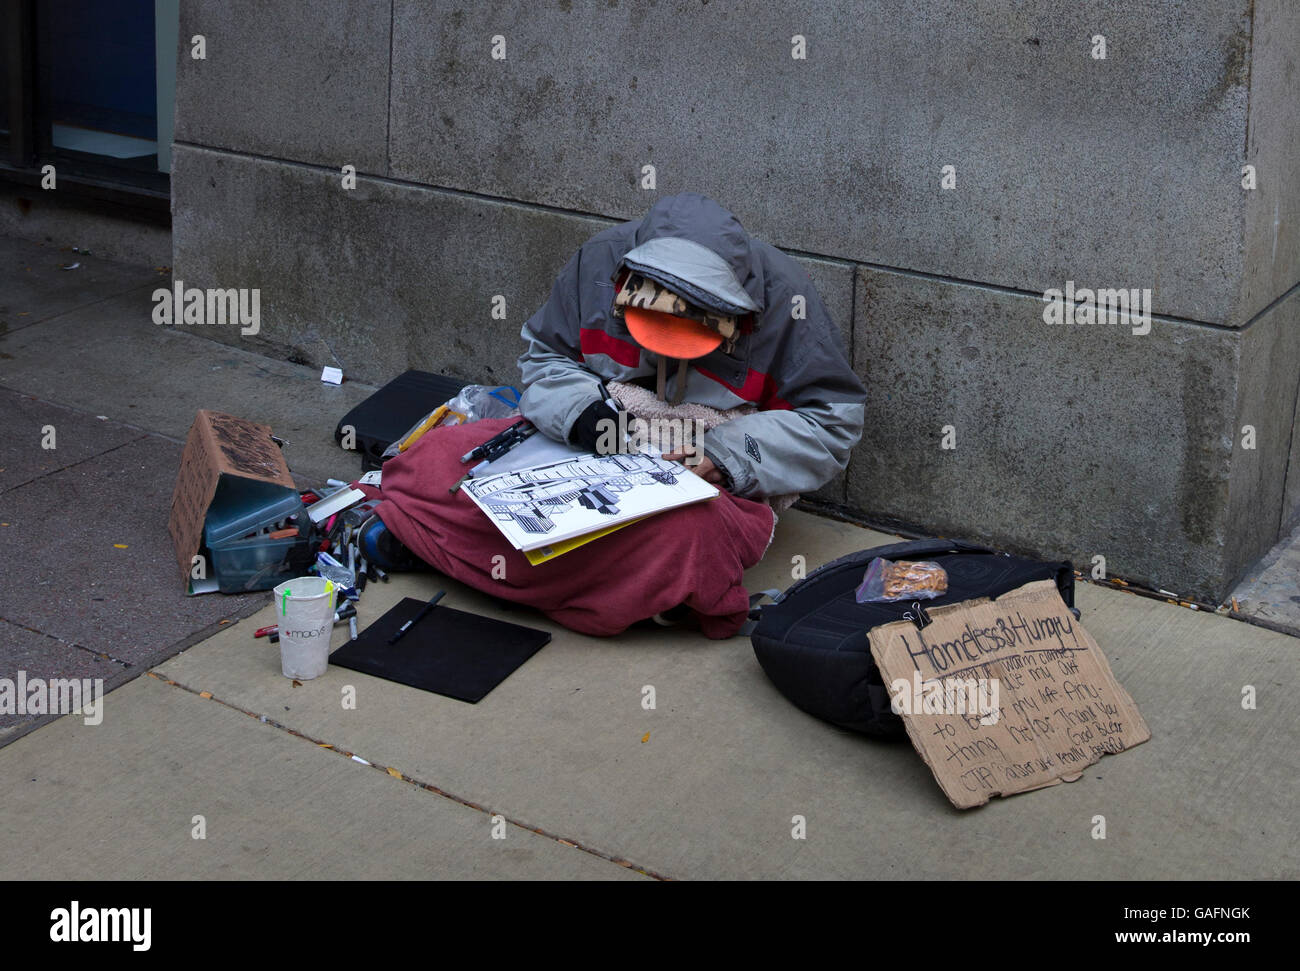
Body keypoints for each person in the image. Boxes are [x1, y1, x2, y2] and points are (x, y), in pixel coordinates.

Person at [361, 192, 866, 637]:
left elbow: (830, 421)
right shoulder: (598, 262)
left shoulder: (784, 296)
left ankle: (441, 549)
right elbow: (545, 358)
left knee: (687, 541)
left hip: (706, 462)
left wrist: (725, 455)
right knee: (433, 460)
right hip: (590, 439)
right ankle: (616, 594)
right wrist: (581, 411)